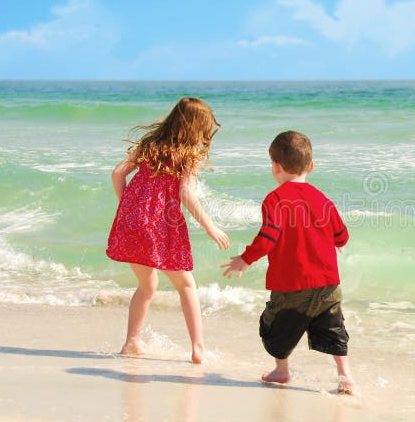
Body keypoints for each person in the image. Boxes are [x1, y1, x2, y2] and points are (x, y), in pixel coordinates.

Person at [220, 131, 355, 394]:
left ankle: (282, 370)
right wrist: (327, 241)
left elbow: (268, 237)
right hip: (328, 283)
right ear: (311, 166)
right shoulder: (323, 200)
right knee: (334, 328)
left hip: (292, 284)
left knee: (273, 327)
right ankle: (345, 375)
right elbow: (343, 237)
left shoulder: (275, 199)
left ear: (276, 166)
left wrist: (245, 260)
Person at [107, 97, 229, 363]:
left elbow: (118, 174)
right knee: (186, 285)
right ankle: (197, 348)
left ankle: (131, 343)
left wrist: (128, 207)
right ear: (197, 127)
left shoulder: (150, 144)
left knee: (147, 285)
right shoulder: (190, 154)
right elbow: (187, 193)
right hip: (161, 225)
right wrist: (211, 227)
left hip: (131, 220)